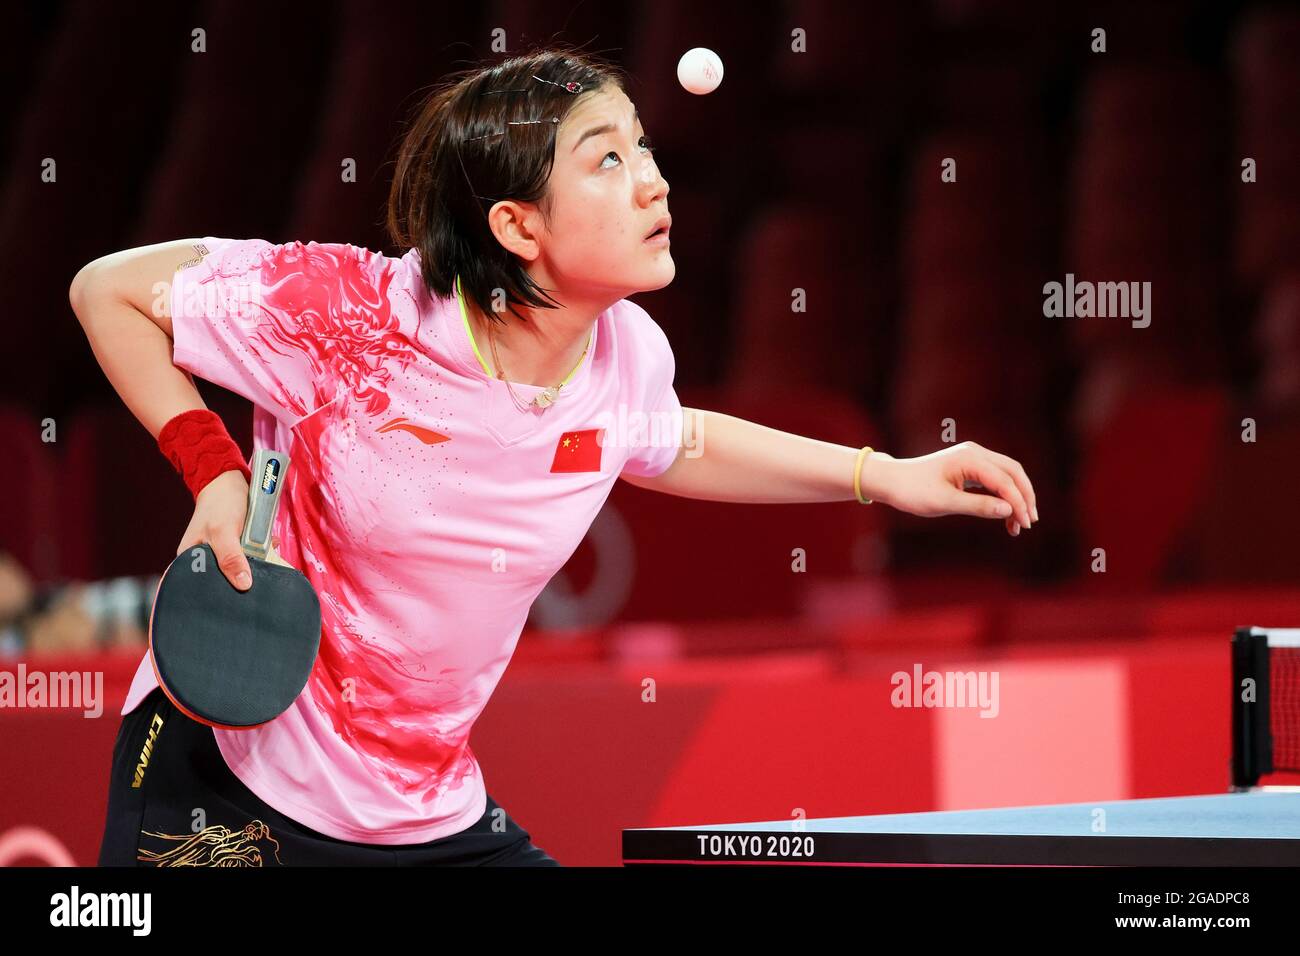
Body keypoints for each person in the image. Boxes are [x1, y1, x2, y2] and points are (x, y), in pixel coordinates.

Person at [69, 47, 1037, 867]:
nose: (653, 180)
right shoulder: (352, 317)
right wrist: (216, 472)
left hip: (426, 813)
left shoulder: (624, 354)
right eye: (606, 160)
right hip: (229, 786)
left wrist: (884, 474)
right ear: (517, 225)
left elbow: (676, 438)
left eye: (643, 149)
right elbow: (104, 289)